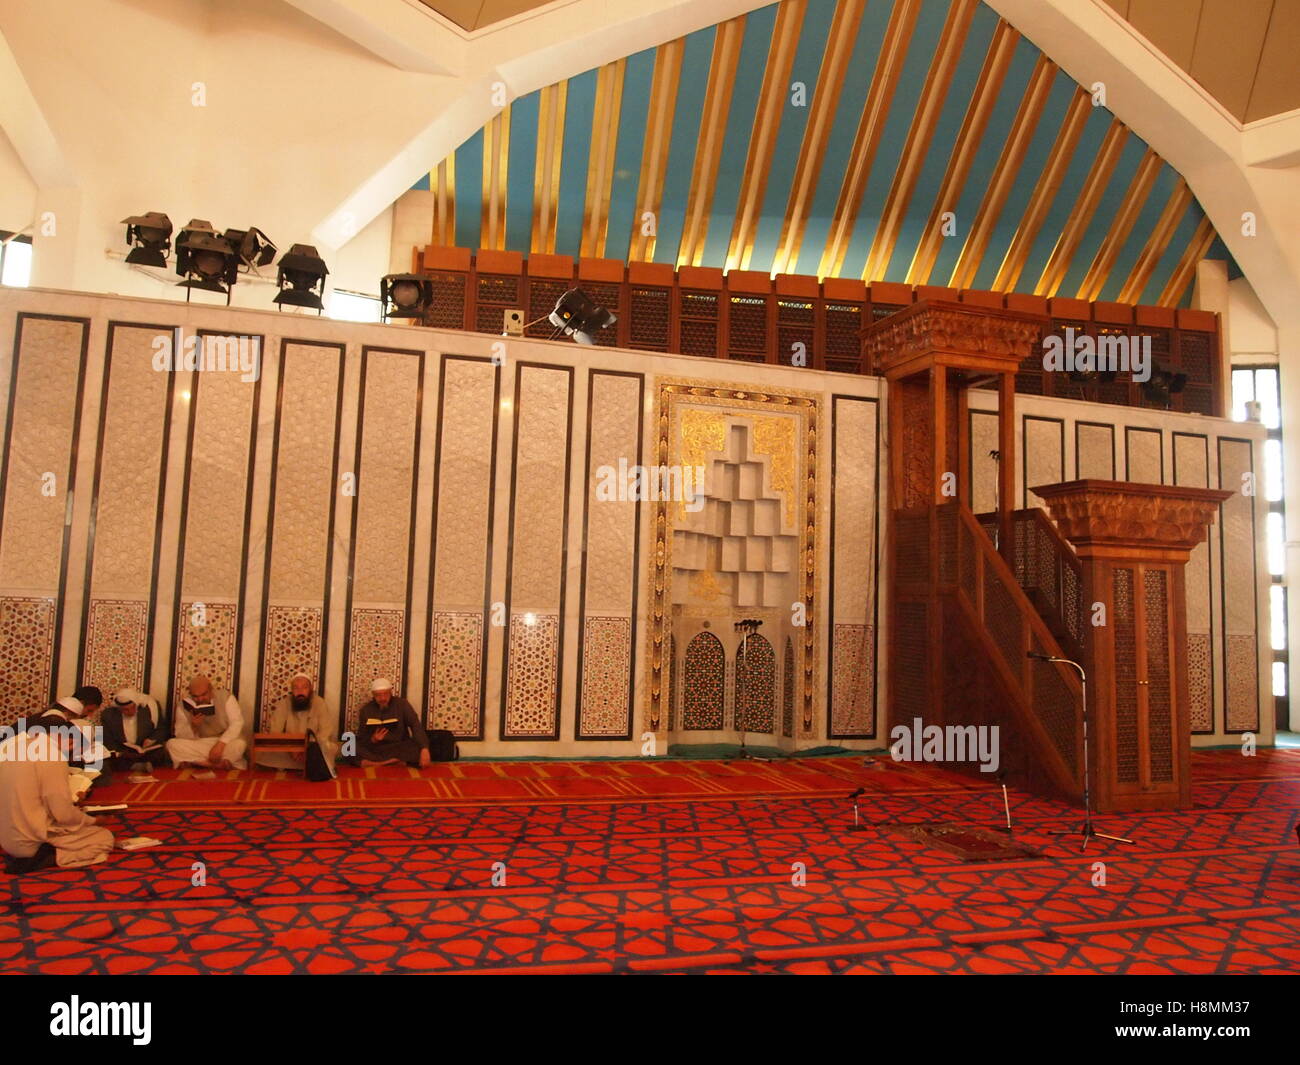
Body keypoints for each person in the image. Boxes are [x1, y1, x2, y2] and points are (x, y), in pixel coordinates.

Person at [0, 720, 115, 873]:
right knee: (103, 838)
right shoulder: (52, 755)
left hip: (7, 840)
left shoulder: (14, 747)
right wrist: (94, 820)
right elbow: (62, 813)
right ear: (63, 736)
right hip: (32, 840)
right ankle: (50, 858)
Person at [257, 673, 336, 774]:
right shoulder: (284, 704)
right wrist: (291, 749)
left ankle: (288, 766)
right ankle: (304, 766)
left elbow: (325, 731)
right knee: (261, 749)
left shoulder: (319, 703)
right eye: (296, 688)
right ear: (291, 690)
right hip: (289, 749)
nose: (300, 692)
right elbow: (275, 731)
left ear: (310, 689)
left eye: (304, 687)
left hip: (313, 748)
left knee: (328, 747)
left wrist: (307, 749)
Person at [166, 674, 246, 770]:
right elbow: (180, 735)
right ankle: (216, 764)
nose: (200, 699)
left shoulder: (226, 697)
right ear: (190, 693)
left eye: (204, 694)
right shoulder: (183, 706)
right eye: (195, 696)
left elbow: (237, 723)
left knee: (240, 744)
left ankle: (197, 763)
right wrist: (193, 726)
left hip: (223, 742)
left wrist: (220, 745)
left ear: (211, 690)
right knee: (171, 744)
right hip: (201, 742)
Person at [351, 678, 429, 767]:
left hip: (398, 747)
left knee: (417, 746)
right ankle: (391, 762)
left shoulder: (402, 704)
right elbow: (362, 737)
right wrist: (373, 739)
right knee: (348, 746)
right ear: (373, 695)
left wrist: (424, 748)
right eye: (378, 695)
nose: (383, 698)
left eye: (385, 694)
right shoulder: (366, 710)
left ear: (390, 692)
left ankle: (372, 763)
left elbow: (415, 725)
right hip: (375, 748)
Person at [100, 688, 169, 769]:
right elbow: (107, 739)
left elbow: (161, 729)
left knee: (160, 753)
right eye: (125, 709)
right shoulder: (108, 715)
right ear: (119, 708)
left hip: (145, 750)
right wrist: (121, 753)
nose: (130, 711)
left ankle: (138, 765)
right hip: (124, 751)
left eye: (132, 707)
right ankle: (137, 766)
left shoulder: (149, 710)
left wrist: (151, 739)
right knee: (108, 757)